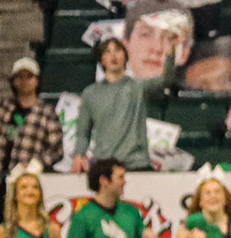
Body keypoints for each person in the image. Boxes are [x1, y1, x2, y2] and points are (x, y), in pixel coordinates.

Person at [75, 35, 177, 168]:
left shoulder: (138, 87)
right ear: (102, 60)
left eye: (117, 50)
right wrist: (78, 155)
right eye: (107, 51)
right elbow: (83, 132)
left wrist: (170, 53)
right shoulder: (90, 94)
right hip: (105, 166)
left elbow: (166, 79)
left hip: (137, 164)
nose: (113, 55)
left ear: (125, 57)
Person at [0, 49, 65, 176]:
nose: (24, 80)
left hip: (26, 180)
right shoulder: (5, 108)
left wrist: (36, 165)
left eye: (29, 76)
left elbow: (57, 150)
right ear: (14, 81)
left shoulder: (47, 113)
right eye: (20, 76)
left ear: (37, 81)